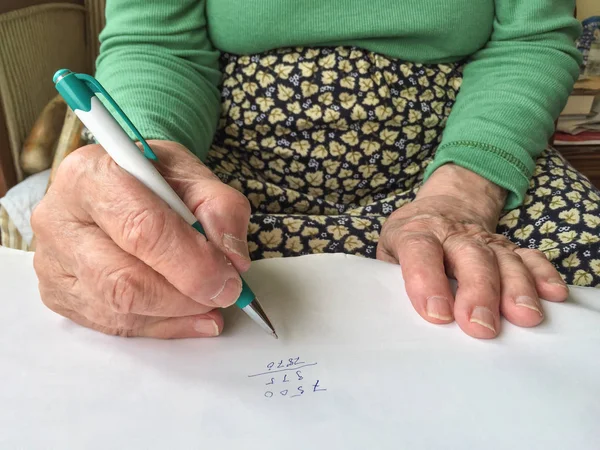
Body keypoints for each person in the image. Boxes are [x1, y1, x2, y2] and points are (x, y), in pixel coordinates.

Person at [31, 0, 600, 340]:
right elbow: (157, 44)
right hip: (226, 169)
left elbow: (529, 39)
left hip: (456, 155)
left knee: (567, 270)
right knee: (147, 281)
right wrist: (160, 167)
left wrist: (459, 195)